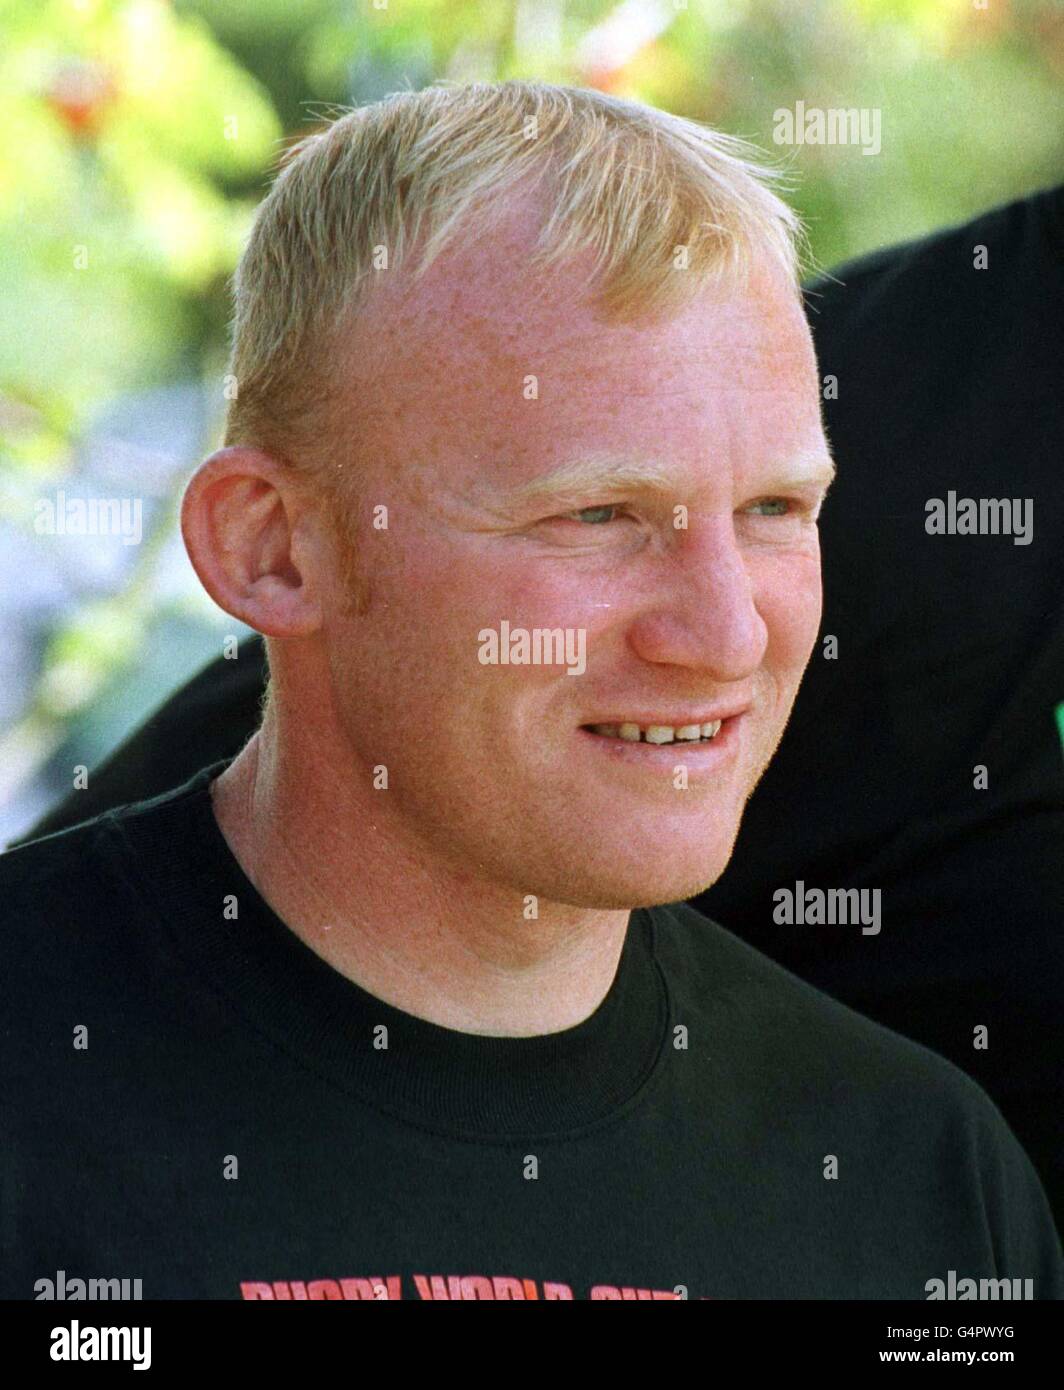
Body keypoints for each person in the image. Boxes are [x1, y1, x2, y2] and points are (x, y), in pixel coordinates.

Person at [4, 81, 1059, 1301]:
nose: (723, 633)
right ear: (273, 548)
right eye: (598, 515)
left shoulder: (919, 1176)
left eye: (772, 509)